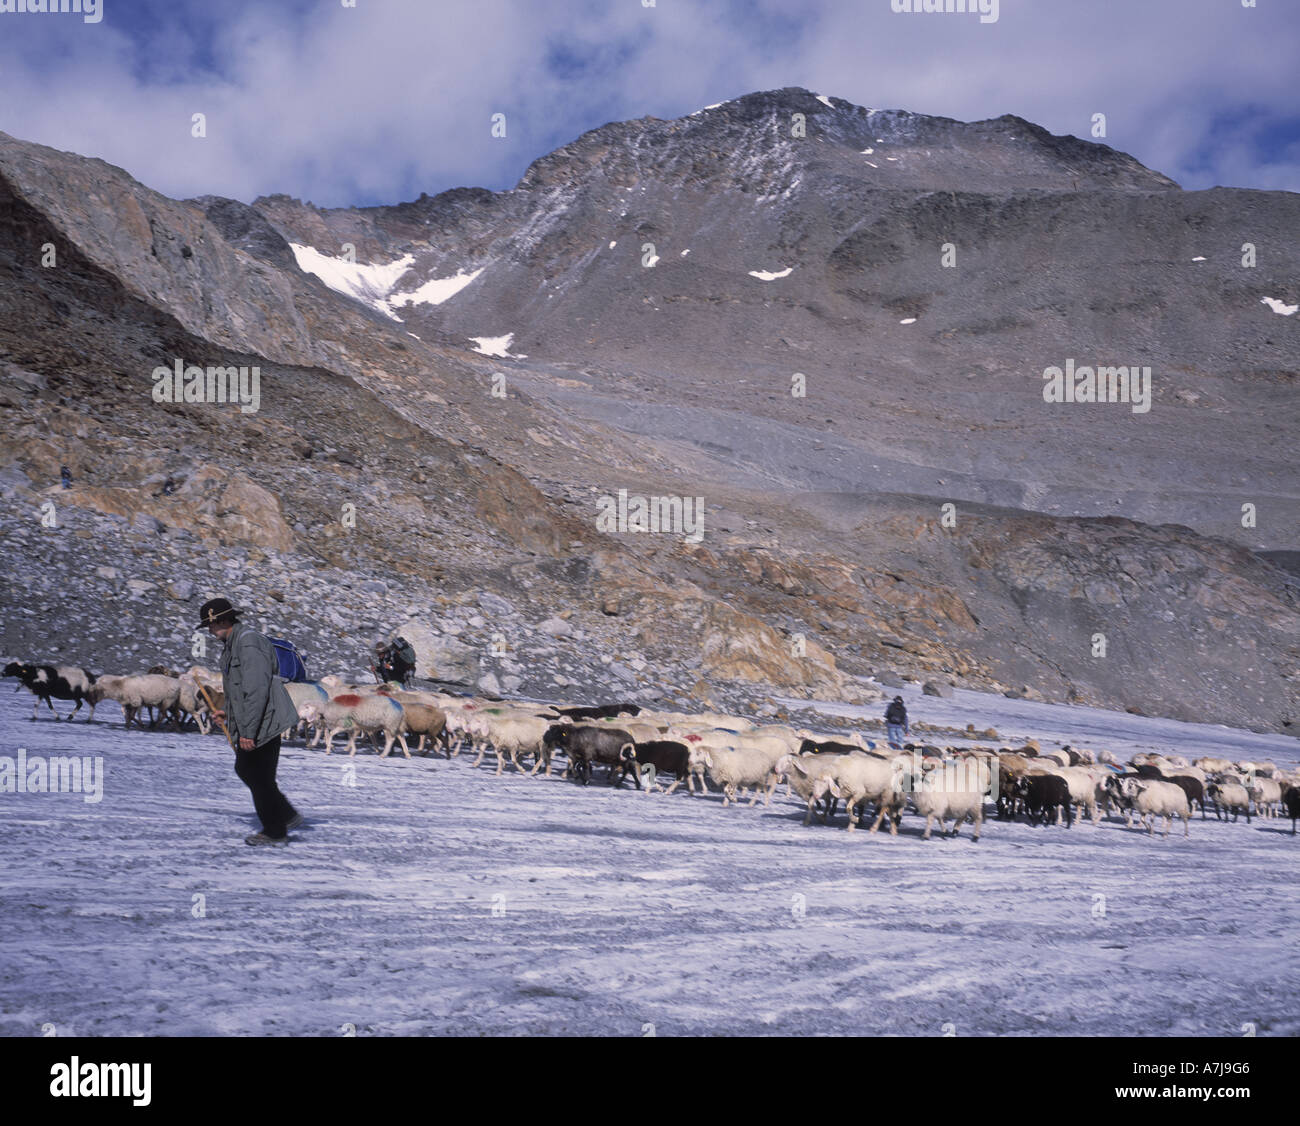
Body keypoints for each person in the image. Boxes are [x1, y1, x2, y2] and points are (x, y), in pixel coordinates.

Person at [199, 597, 303, 847]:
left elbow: (256, 691)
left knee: (256, 775)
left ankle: (275, 831)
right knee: (254, 773)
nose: (209, 631)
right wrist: (227, 712)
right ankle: (286, 816)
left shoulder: (248, 644)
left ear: (222, 621)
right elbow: (240, 690)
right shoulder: (235, 643)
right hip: (258, 719)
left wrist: (248, 731)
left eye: (210, 626)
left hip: (264, 721)